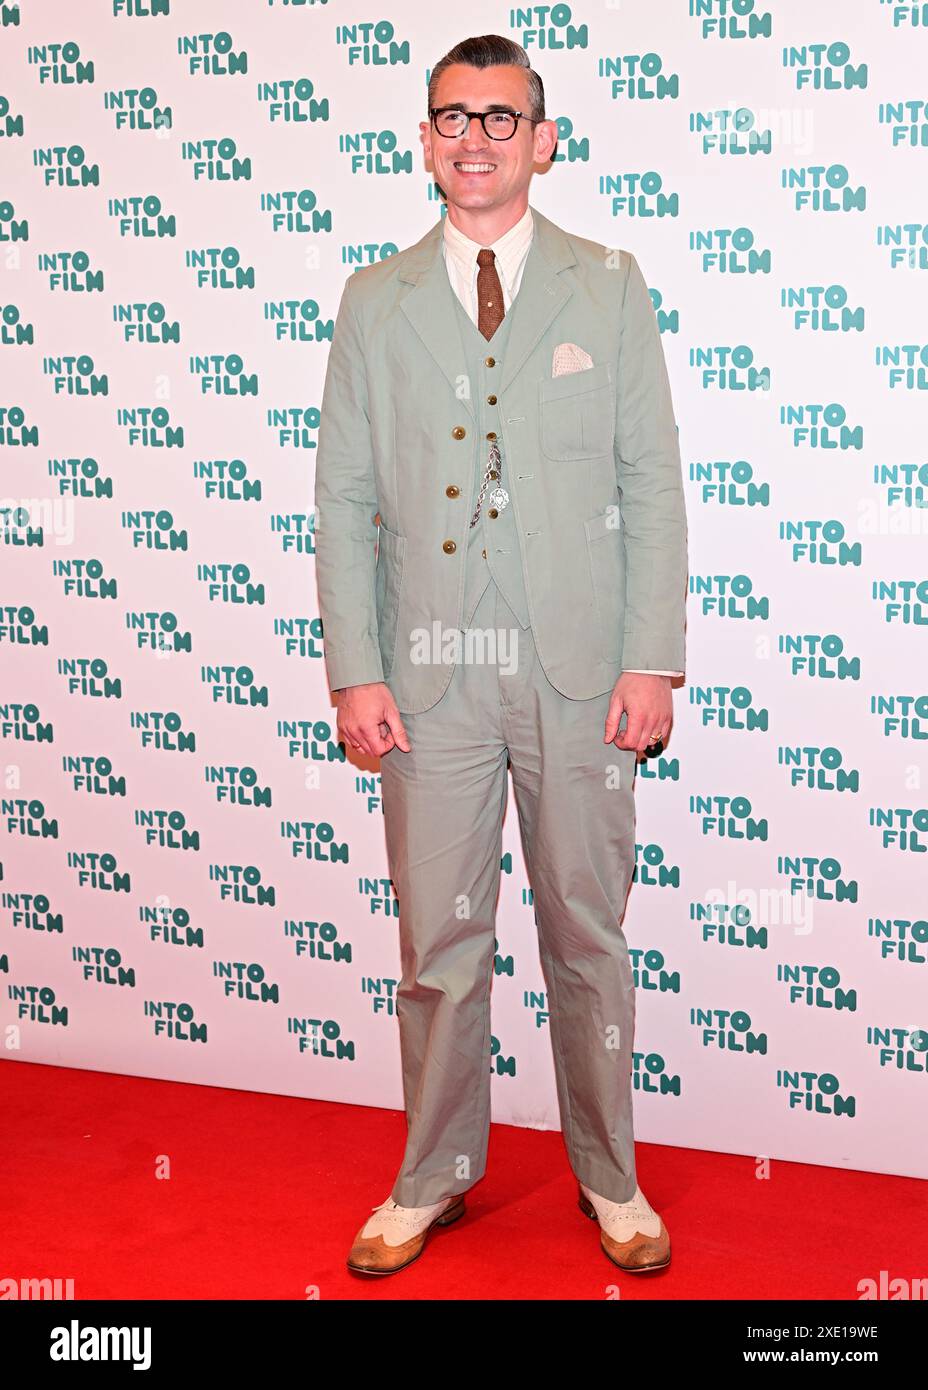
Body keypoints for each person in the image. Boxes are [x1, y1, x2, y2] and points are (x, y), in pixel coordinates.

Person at [313, 33, 688, 1278]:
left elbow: (652, 483)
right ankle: (431, 1176)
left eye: (499, 116)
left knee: (586, 933)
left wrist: (653, 659)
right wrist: (354, 668)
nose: (472, 137)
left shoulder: (609, 283)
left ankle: (610, 1178)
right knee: (437, 948)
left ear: (544, 138)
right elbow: (344, 498)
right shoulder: (377, 298)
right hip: (426, 672)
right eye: (450, 116)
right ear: (424, 140)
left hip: (581, 671)